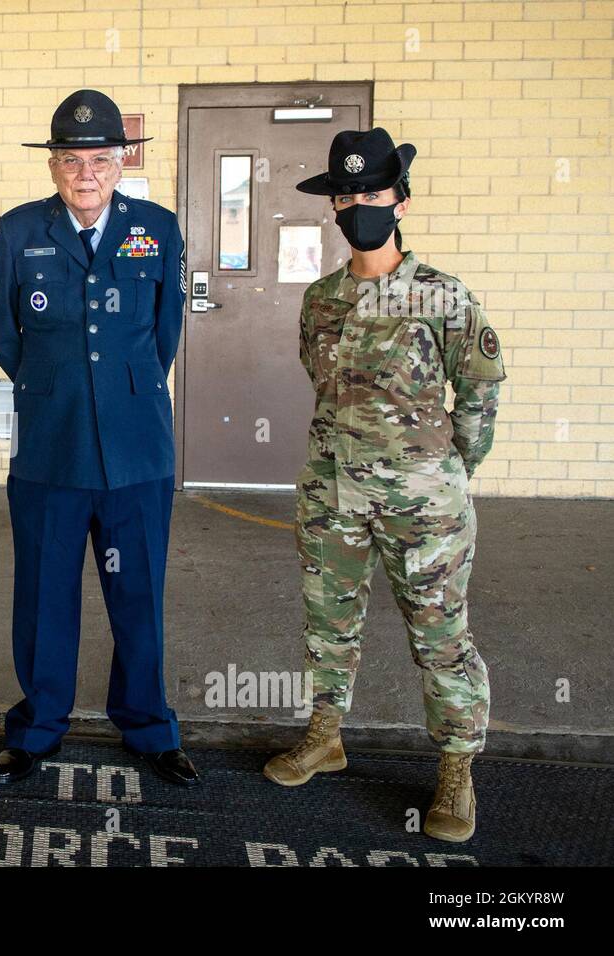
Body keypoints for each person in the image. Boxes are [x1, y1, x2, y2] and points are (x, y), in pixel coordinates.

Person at [263, 128, 506, 842]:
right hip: (333, 495)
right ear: (334, 206)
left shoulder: (443, 297)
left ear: (400, 199)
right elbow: (323, 383)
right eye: (347, 194)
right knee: (328, 628)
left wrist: (442, 470)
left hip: (423, 507)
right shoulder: (321, 300)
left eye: (372, 192)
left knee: (441, 639)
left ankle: (457, 770)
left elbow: (482, 396)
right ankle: (326, 736)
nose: (359, 204)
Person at [0, 89, 197, 787]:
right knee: (44, 595)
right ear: (53, 167)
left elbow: (164, 334)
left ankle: (149, 728)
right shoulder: (17, 232)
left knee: (138, 593)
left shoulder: (158, 230)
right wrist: (59, 387)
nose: (85, 174)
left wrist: (120, 389)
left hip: (137, 447)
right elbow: (0, 332)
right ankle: (38, 728)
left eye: (99, 159)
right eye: (71, 160)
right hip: (51, 444)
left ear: (121, 161)